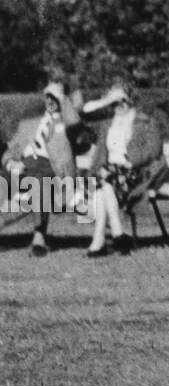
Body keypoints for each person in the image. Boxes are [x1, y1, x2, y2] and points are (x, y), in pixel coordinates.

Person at [3, 78, 86, 256]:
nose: (50, 100)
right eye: (47, 95)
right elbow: (10, 152)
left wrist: (63, 99)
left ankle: (38, 239)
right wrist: (11, 162)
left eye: (55, 96)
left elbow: (75, 123)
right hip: (22, 167)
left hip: (51, 170)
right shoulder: (29, 124)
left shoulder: (68, 125)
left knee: (40, 184)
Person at [82, 83, 163, 257]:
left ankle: (102, 240)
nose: (118, 105)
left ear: (131, 99)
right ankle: (114, 236)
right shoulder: (107, 123)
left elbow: (154, 150)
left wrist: (131, 162)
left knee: (103, 183)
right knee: (102, 183)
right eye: (114, 102)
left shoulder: (144, 121)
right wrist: (108, 99)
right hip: (108, 173)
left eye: (122, 100)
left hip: (135, 172)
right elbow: (84, 112)